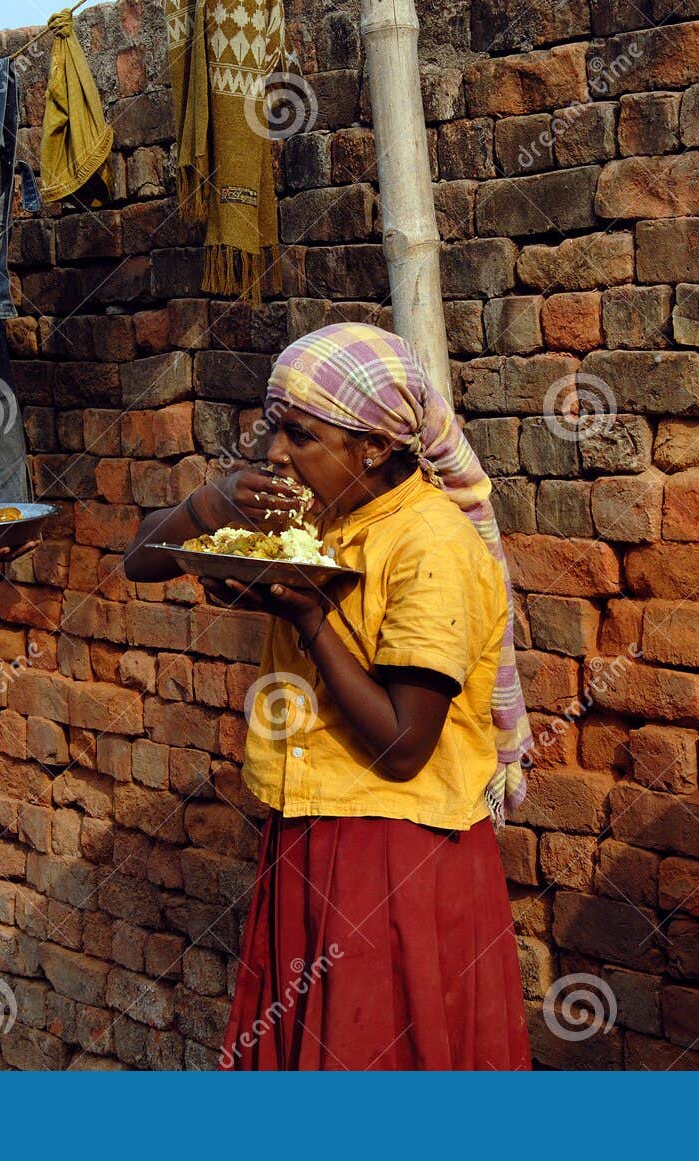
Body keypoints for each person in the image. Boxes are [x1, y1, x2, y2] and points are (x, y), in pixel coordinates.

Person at [125, 322, 531, 1069]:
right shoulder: (315, 516)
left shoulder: (430, 546)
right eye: (276, 428)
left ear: (373, 446)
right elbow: (140, 560)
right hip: (312, 833)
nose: (276, 452)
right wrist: (209, 506)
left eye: (301, 435)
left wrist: (307, 613)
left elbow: (406, 745)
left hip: (396, 858)